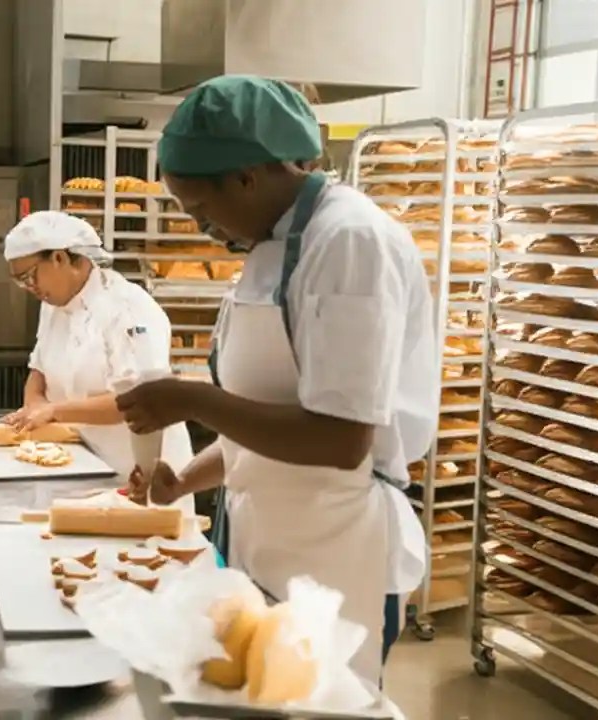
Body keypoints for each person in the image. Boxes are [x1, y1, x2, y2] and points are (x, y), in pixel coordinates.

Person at [117, 75, 433, 686]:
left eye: (201, 210)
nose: (202, 228)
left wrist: (190, 400)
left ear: (247, 177)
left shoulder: (349, 243)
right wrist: (184, 480)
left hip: (336, 550)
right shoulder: (271, 244)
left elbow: (340, 439)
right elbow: (262, 414)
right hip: (269, 539)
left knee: (323, 700)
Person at [1, 211, 196, 512]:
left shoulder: (128, 308)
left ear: (60, 259)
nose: (30, 288)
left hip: (139, 477)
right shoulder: (53, 305)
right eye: (20, 282)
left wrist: (53, 411)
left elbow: (138, 403)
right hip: (82, 469)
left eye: (30, 277)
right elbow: (38, 372)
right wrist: (34, 408)